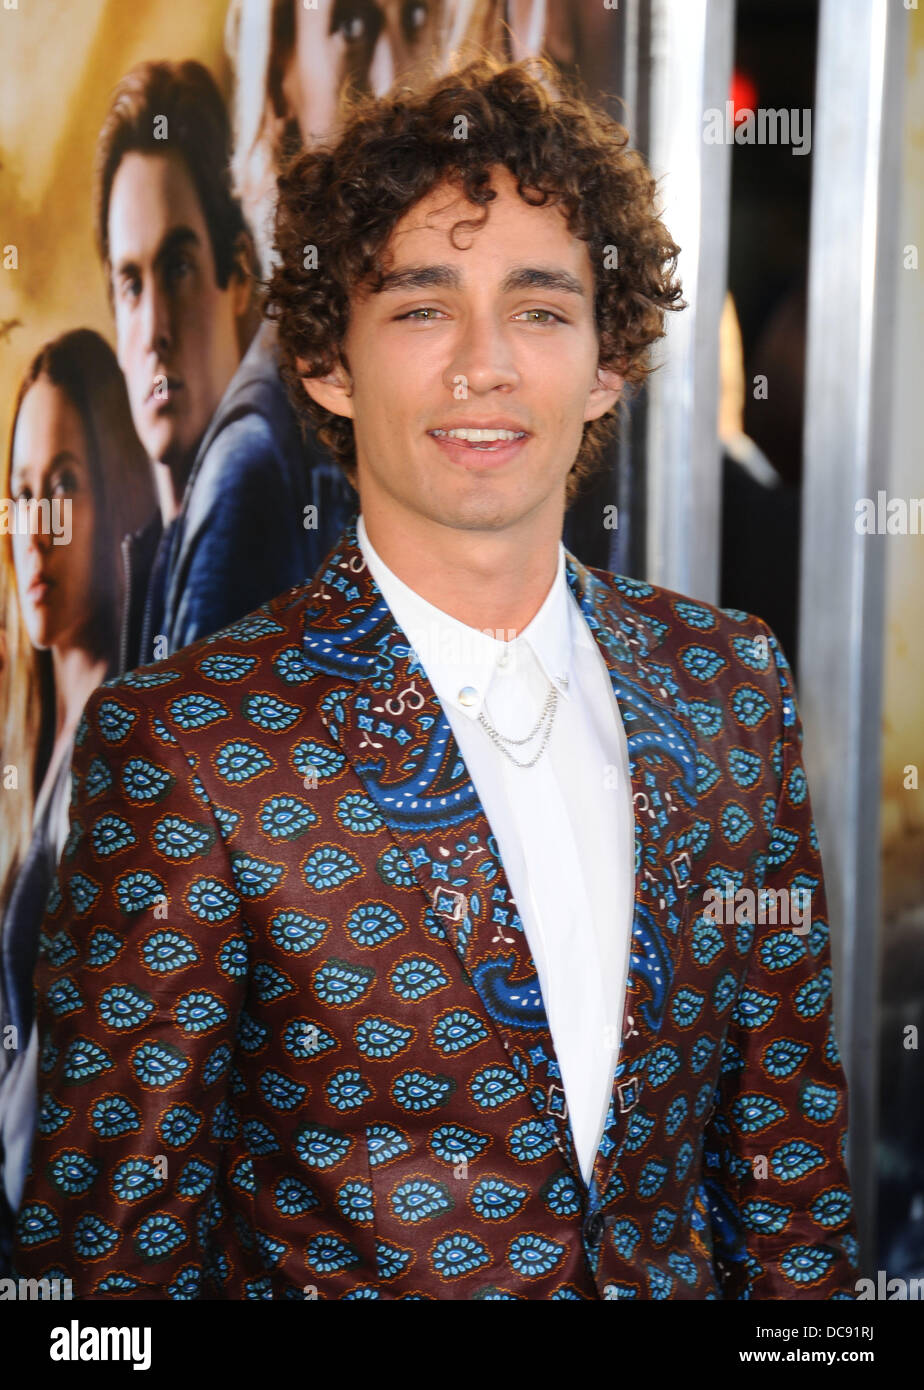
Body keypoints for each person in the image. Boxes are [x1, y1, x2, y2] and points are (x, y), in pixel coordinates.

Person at [14, 56, 857, 1300]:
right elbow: (99, 1295)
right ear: (327, 364)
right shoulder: (185, 745)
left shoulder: (729, 691)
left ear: (608, 361)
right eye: (420, 308)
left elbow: (793, 1210)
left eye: (542, 308)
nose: (485, 364)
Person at [95, 59, 353, 672]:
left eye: (178, 268)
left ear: (238, 274)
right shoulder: (194, 509)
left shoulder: (241, 473)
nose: (155, 328)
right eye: (131, 284)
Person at [0, 329, 154, 1274]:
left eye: (63, 486)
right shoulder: (29, 739)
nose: (36, 526)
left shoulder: (129, 744)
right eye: (20, 495)